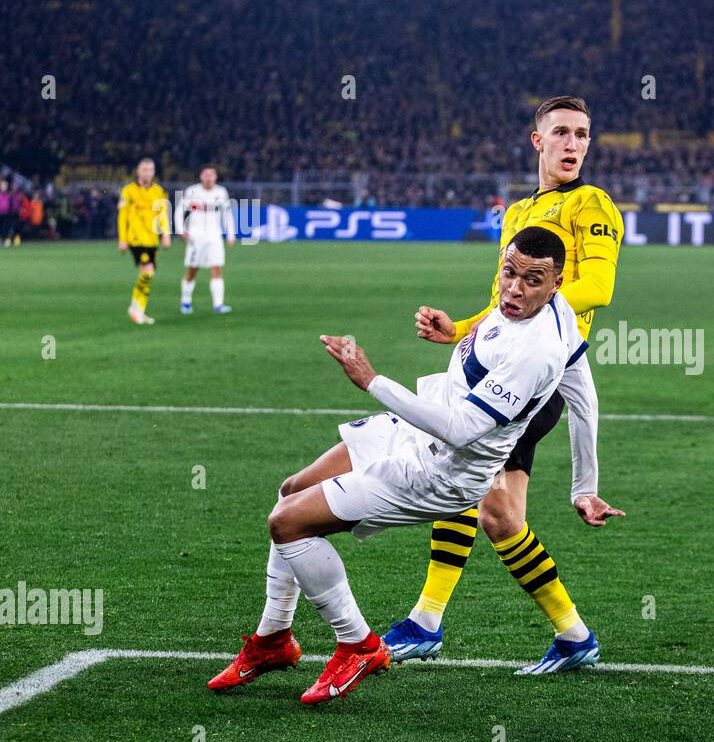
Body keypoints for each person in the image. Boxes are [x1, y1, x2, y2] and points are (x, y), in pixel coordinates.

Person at [207, 228, 601, 704]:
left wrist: (371, 381)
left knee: (287, 525)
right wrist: (585, 486)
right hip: (413, 429)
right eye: (509, 272)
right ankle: (273, 641)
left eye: (532, 281)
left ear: (557, 284)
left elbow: (459, 429)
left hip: (441, 472)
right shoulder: (550, 312)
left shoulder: (535, 353)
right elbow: (584, 393)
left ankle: (357, 645)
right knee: (292, 491)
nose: (515, 289)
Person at [382, 95, 625, 675]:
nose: (573, 144)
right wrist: (460, 329)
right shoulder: (516, 213)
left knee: (461, 478)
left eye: (583, 135)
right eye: (561, 133)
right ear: (537, 141)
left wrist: (537, 318)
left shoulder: (593, 205)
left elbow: (599, 284)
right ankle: (570, 633)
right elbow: (504, 303)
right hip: (500, 361)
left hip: (535, 375)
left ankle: (426, 622)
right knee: (498, 514)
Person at [176, 165, 236, 314]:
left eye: (212, 175)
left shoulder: (221, 192)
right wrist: (180, 230)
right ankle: (185, 302)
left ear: (215, 177)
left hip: (214, 236)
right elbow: (179, 211)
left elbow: (227, 214)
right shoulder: (192, 191)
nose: (209, 177)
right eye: (206, 175)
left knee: (216, 268)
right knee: (192, 270)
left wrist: (231, 234)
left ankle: (218, 305)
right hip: (196, 237)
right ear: (201, 176)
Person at [117, 159, 171, 325]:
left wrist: (166, 235)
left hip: (152, 239)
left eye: (150, 170)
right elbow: (122, 216)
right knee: (147, 272)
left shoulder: (159, 191)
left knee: (147, 274)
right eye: (144, 169)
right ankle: (137, 309)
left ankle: (138, 309)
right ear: (138, 171)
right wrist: (122, 239)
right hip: (136, 239)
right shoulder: (129, 191)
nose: (147, 172)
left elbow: (162, 215)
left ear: (154, 172)